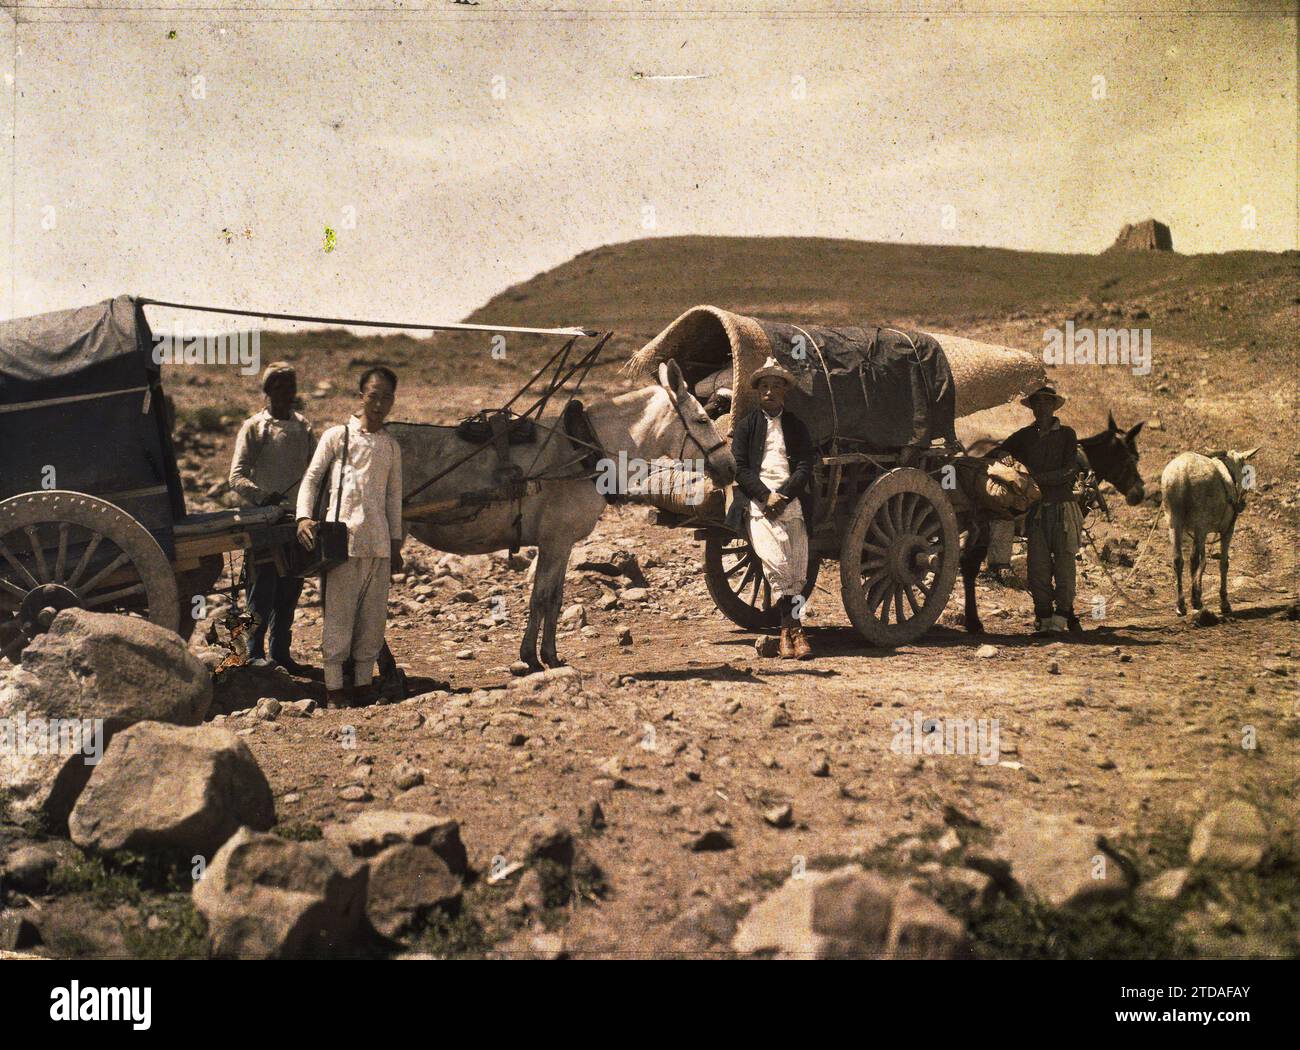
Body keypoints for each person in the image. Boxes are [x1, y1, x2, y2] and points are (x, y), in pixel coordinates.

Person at [296, 367, 405, 707]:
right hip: (341, 541)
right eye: (373, 395)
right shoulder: (337, 436)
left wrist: (396, 543)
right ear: (360, 397)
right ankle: (333, 688)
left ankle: (362, 684)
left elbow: (393, 497)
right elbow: (312, 479)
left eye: (386, 397)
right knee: (339, 618)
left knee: (372, 620)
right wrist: (303, 517)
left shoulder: (390, 446)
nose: (379, 404)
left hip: (378, 543)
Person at [726, 357, 815, 660]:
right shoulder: (746, 426)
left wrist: (785, 495)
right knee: (777, 564)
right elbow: (739, 468)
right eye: (764, 387)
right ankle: (796, 629)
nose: (769, 392)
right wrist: (766, 496)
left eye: (776, 387)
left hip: (791, 501)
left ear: (784, 392)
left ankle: (786, 632)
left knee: (797, 566)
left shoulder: (795, 426)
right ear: (757, 393)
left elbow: (805, 464)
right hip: (758, 503)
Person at [228, 362, 316, 673]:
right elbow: (236, 477)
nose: (285, 393)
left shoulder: (304, 427)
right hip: (263, 523)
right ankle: (252, 655)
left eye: (289, 387)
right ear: (267, 392)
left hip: (297, 521)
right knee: (261, 590)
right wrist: (264, 497)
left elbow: (316, 473)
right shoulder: (254, 427)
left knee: (290, 589)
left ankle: (281, 655)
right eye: (277, 387)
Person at [996, 383, 1083, 635]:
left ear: (1054, 406)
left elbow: (1069, 471)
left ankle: (1062, 615)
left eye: (1046, 402)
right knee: (1038, 567)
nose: (1041, 407)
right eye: (1037, 403)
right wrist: (1005, 457)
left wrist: (1033, 480)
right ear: (1032, 408)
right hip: (1036, 512)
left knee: (1065, 565)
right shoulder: (1024, 436)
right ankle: (1043, 616)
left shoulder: (1067, 434)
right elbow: (1002, 449)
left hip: (1063, 509)